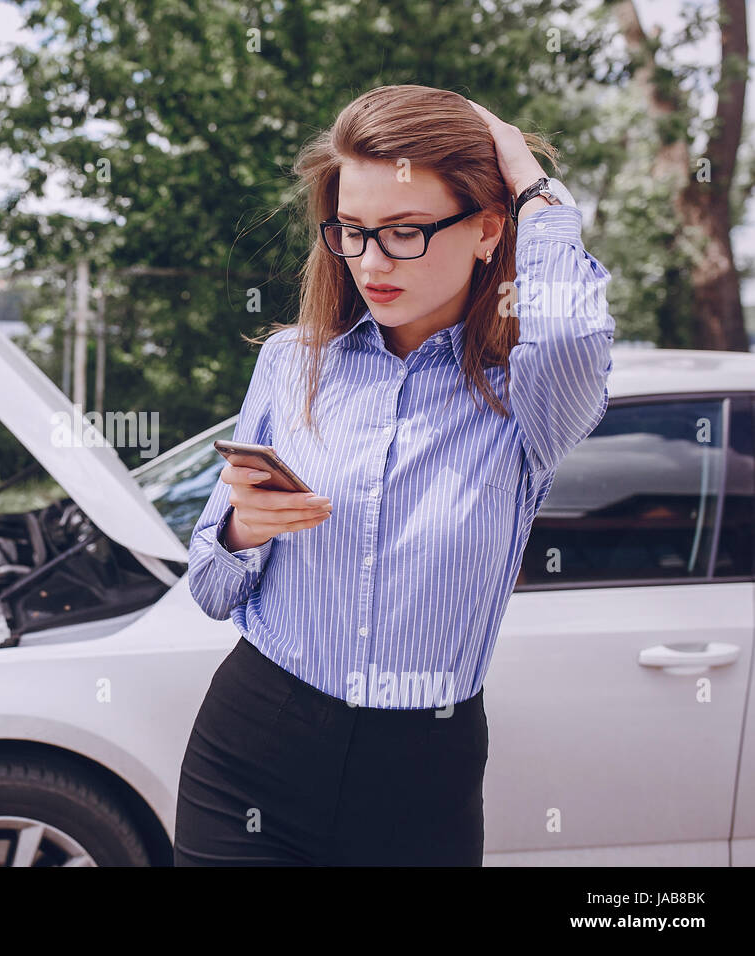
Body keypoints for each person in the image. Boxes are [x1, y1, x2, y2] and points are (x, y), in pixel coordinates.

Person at [174, 85, 614, 866]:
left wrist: (533, 185)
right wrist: (243, 531)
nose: (372, 262)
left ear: (486, 229)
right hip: (253, 748)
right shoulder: (291, 365)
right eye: (352, 232)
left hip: (420, 780)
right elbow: (210, 590)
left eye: (406, 232)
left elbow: (575, 333)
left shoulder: (527, 397)